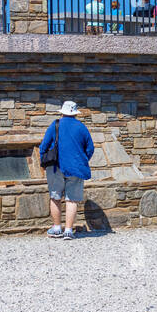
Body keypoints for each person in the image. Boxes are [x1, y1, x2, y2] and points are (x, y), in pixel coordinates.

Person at [40, 101, 95, 240]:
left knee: (55, 197)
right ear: (75, 113)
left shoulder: (55, 125)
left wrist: (43, 161)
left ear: (62, 112)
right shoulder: (82, 127)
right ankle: (69, 231)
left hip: (55, 167)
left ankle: (57, 228)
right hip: (76, 167)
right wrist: (82, 160)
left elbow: (43, 146)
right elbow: (90, 149)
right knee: (72, 200)